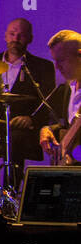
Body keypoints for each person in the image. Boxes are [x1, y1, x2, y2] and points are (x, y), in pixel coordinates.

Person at [0, 18, 55, 184]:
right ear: (5, 36)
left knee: (15, 139)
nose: (15, 39)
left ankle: (9, 192)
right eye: (12, 34)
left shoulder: (42, 67)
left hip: (25, 130)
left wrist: (31, 119)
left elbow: (48, 103)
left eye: (21, 35)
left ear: (30, 38)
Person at [38, 30, 81, 163]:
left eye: (61, 60)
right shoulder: (69, 87)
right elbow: (69, 125)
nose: (57, 67)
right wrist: (48, 129)